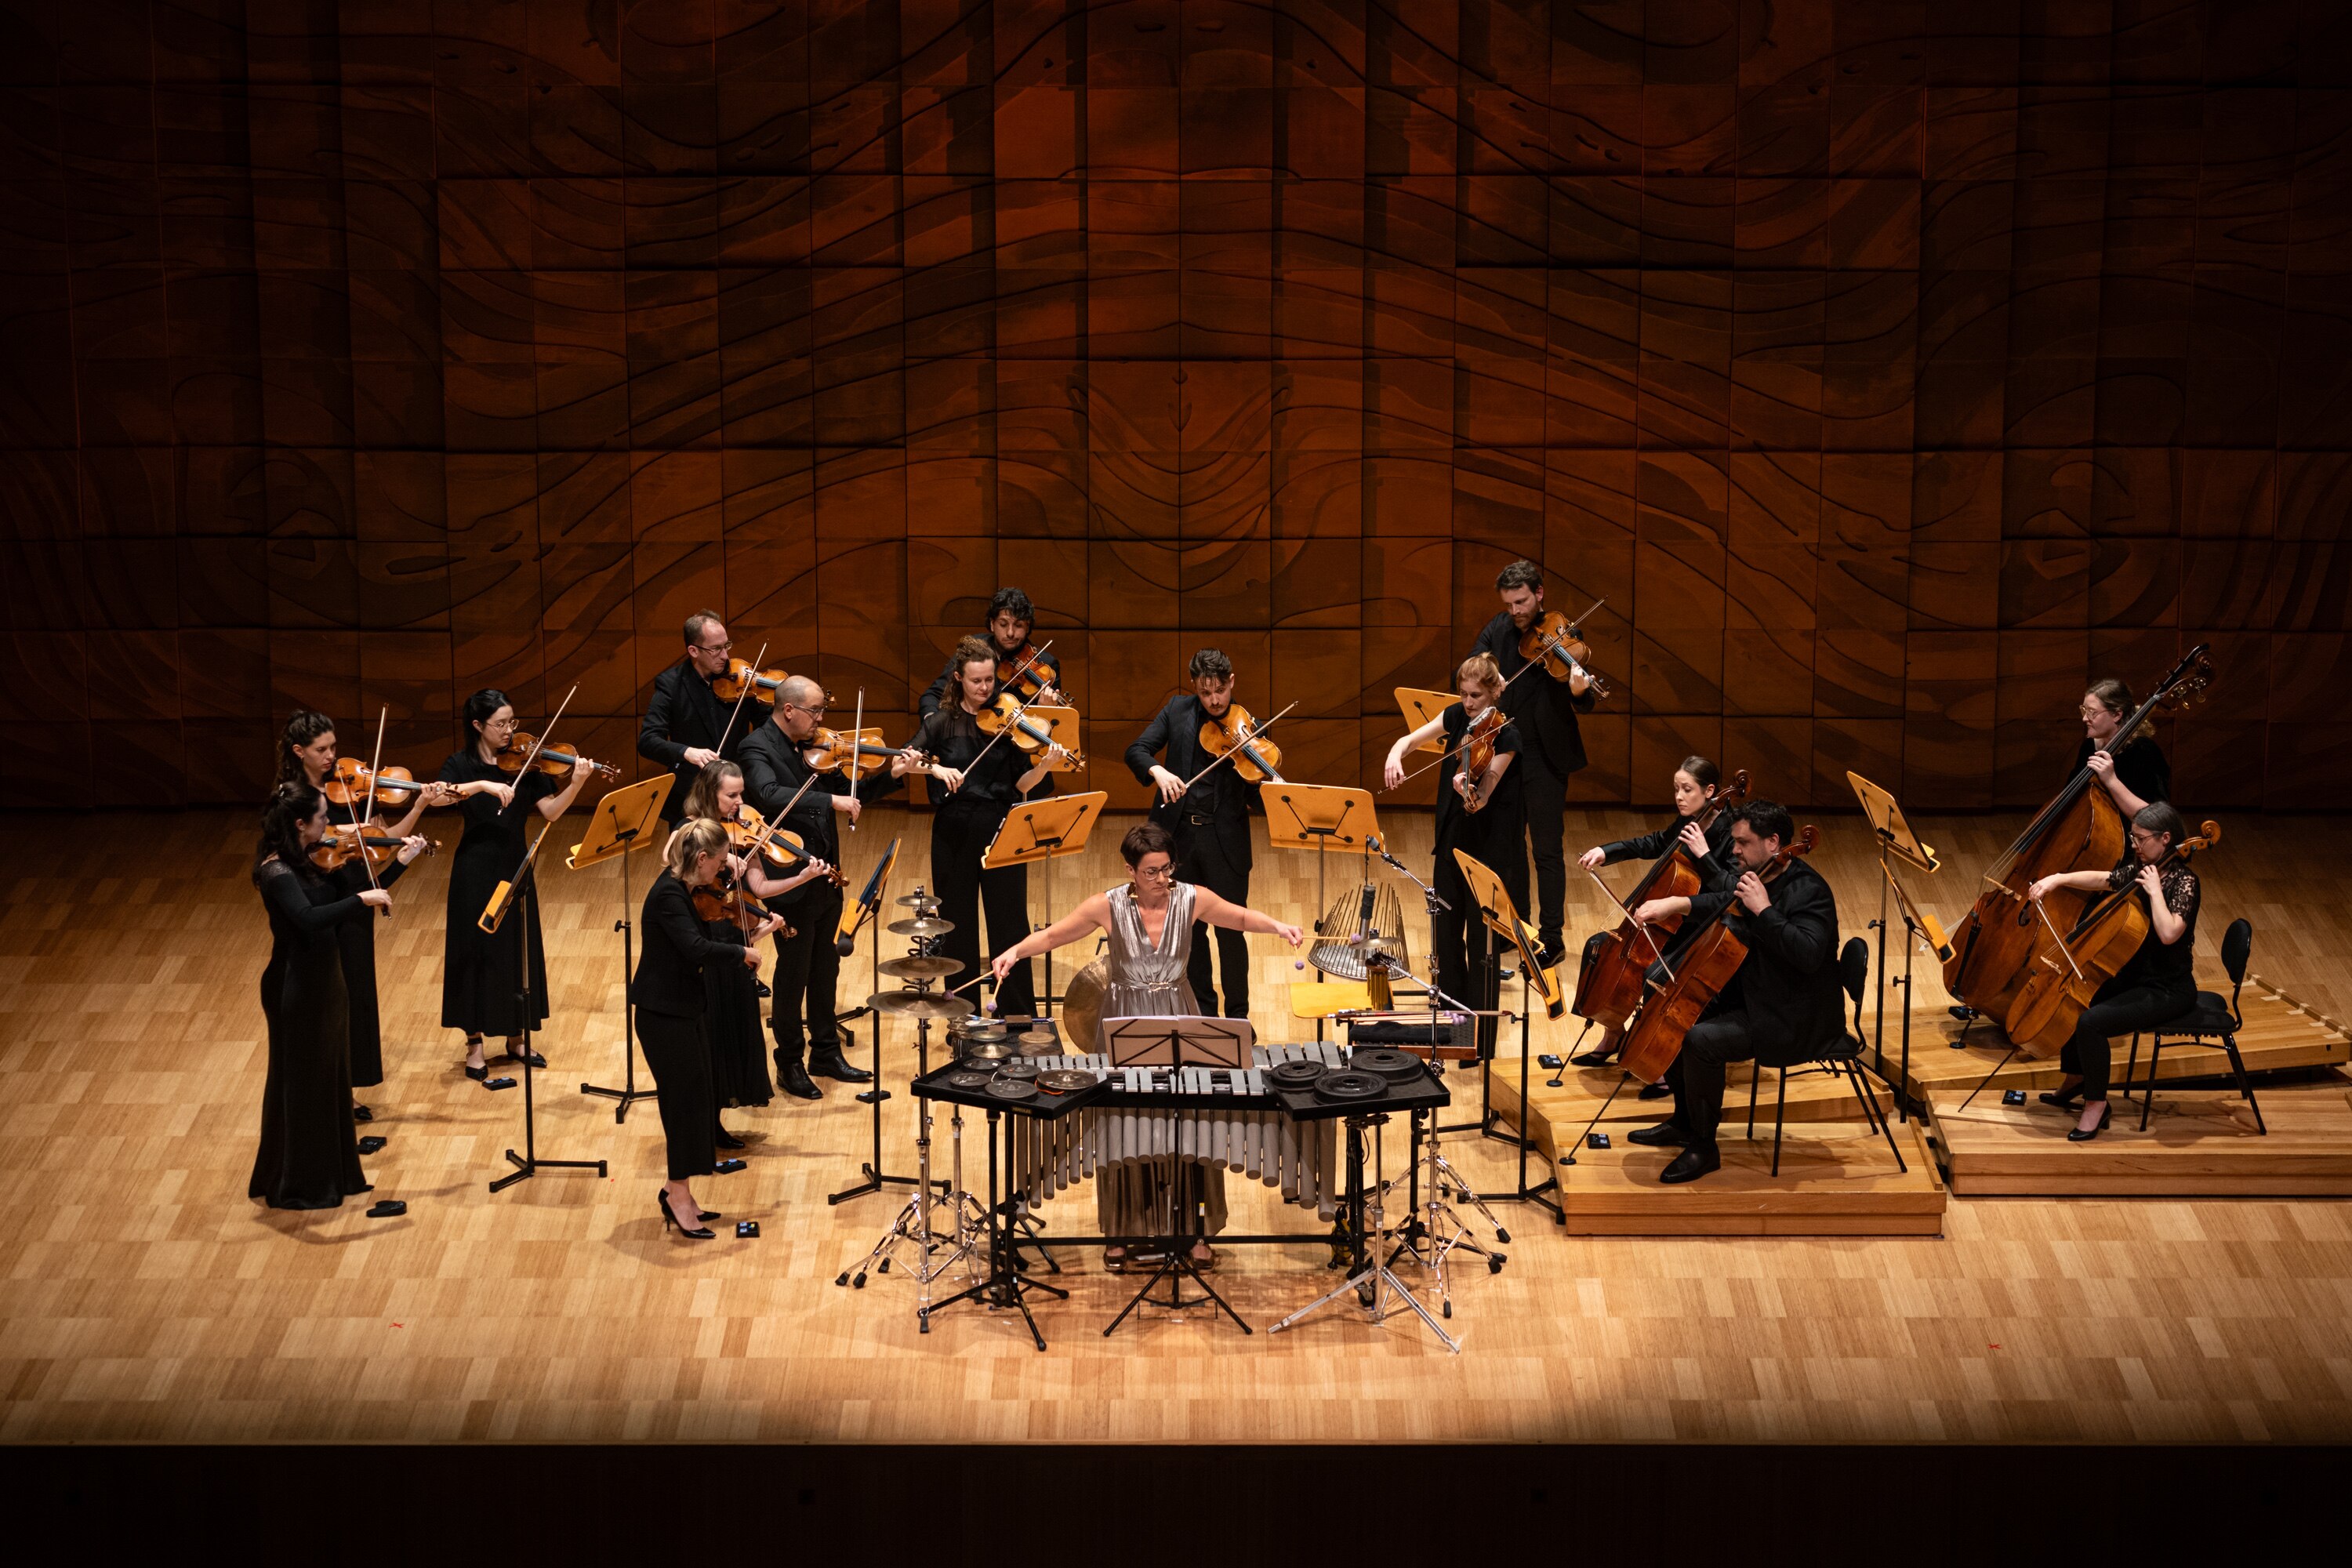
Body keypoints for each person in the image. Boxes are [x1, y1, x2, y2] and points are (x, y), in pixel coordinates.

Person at [990, 822, 1305, 1270]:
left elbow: (1236, 916)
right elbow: (1056, 934)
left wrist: (1277, 926)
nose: (1161, 879)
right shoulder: (1108, 905)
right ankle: (1121, 1231)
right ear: (1131, 871)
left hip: (1178, 1013)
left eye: (1167, 869)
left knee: (1190, 1120)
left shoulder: (1191, 898)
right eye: (1151, 872)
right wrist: (1016, 951)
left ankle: (1193, 1231)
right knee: (1122, 1122)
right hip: (1124, 1021)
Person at [276, 710, 486, 1121]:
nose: (332, 757)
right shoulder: (292, 799)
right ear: (299, 752)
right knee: (329, 1003)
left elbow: (382, 843)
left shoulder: (349, 793)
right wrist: (338, 836)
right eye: (322, 750)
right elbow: (291, 854)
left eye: (334, 747)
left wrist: (421, 802)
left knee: (355, 996)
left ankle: (346, 1088)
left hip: (354, 895)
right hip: (320, 900)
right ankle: (327, 1094)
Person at [1621, 800, 1841, 1184]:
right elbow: (1725, 896)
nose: (1734, 850)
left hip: (1790, 1014)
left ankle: (1704, 1148)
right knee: (1667, 991)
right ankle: (1685, 1121)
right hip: (1755, 993)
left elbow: (1807, 955)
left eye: (1743, 842)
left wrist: (1765, 911)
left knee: (1700, 1038)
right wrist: (1677, 903)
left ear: (1773, 842)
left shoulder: (1811, 892)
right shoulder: (1761, 874)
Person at [248, 782, 411, 1210]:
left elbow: (353, 898)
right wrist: (362, 898)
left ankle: (337, 1177)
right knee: (304, 1086)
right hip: (295, 986)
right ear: (300, 824)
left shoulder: (314, 860)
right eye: (323, 817)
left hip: (327, 980)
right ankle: (299, 1184)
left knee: (332, 1081)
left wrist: (400, 866)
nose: (331, 824)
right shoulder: (277, 870)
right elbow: (308, 919)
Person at [894, 637, 1067, 1020]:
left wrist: (1044, 767)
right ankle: (963, 1015)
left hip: (1002, 829)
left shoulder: (1010, 722)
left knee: (1010, 923)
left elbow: (1021, 786)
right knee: (957, 925)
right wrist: (934, 768)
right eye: (976, 681)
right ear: (958, 680)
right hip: (953, 832)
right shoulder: (941, 723)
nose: (985, 688)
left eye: (990, 680)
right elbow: (899, 764)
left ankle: (1017, 1014)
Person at [738, 674, 890, 1094]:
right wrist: (830, 801)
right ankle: (789, 1062)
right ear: (789, 710)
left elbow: (851, 790)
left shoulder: (815, 750)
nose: (821, 720)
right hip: (789, 881)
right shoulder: (756, 748)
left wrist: (895, 771)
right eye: (815, 711)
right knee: (793, 975)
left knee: (826, 969)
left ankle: (825, 1051)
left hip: (826, 876)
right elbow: (767, 793)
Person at [2024, 802, 2201, 1142]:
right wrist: (2057, 879)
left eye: (2140, 839)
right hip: (2134, 977)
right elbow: (2105, 879)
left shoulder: (2184, 882)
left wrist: (2153, 893)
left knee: (2092, 1022)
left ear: (2166, 839)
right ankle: (2076, 1079)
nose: (2134, 845)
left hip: (2167, 989)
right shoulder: (2144, 867)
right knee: (2080, 994)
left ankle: (2096, 1104)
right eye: (2132, 837)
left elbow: (2169, 933)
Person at [438, 688, 592, 1080]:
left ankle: (516, 1038)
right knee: (474, 951)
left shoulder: (530, 766)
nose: (509, 731)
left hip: (516, 866)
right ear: (478, 726)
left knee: (516, 951)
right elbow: (438, 798)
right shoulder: (460, 765)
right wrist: (483, 787)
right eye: (500, 724)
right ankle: (474, 1043)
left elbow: (552, 813)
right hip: (474, 870)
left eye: (512, 722)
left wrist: (576, 783)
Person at [1382, 652, 1526, 1058]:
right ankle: (1454, 1035)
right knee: (1446, 939)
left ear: (1496, 692)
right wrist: (1397, 755)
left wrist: (1467, 789)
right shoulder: (1455, 717)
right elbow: (1410, 740)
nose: (1468, 703)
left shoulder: (1507, 737)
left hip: (1488, 855)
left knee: (1482, 948)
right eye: (1463, 694)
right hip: (1451, 843)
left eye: (1477, 696)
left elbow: (1482, 799)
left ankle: (1479, 1045)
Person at [634, 818, 764, 1240]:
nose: (725, 868)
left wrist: (754, 929)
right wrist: (742, 952)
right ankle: (677, 1195)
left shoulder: (687, 889)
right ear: (701, 859)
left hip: (684, 1010)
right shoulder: (669, 895)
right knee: (683, 1106)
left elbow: (705, 930)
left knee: (696, 1100)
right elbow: (694, 947)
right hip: (662, 1016)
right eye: (722, 860)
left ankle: (681, 1193)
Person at [1568, 755, 1738, 1072]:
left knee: (1653, 977)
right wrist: (1608, 851)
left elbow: (1729, 894)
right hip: (1669, 920)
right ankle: (1614, 1033)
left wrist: (1703, 854)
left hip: (1701, 925)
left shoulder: (1731, 832)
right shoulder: (1693, 818)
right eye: (1676, 789)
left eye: (1687, 789)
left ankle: (1659, 1061)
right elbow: (1659, 842)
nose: (1679, 796)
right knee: (1597, 946)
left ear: (1710, 790)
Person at [1468, 559, 1596, 968]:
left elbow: (1586, 702)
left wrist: (1578, 690)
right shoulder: (1498, 629)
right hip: (1506, 751)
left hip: (1545, 755)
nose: (1516, 611)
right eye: (1509, 604)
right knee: (1509, 848)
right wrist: (1492, 679)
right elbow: (1472, 667)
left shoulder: (1563, 634)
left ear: (1540, 594)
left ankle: (1553, 939)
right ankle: (1518, 929)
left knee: (1546, 850)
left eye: (1522, 602)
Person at [1124, 648, 1260, 1018]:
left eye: (1220, 690)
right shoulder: (1177, 711)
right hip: (1180, 843)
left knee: (1232, 935)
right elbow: (1136, 750)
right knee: (1191, 935)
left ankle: (1238, 1020)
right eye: (1205, 692)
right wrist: (1158, 772)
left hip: (1225, 843)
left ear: (1231, 682)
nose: (1214, 700)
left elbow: (1259, 799)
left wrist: (1259, 770)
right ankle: (1203, 1018)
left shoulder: (1249, 727)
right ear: (1195, 688)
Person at [678, 762, 814, 1133]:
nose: (740, 803)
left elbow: (762, 888)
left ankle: (719, 1118)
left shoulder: (743, 831)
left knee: (734, 1029)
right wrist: (720, 859)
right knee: (709, 1032)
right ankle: (705, 1124)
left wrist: (802, 876)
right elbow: (673, 870)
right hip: (704, 935)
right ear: (710, 794)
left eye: (741, 794)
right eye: (731, 796)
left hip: (734, 933)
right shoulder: (687, 830)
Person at [639, 610, 754, 826]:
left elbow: (767, 727)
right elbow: (647, 741)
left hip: (737, 797)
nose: (725, 656)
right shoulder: (671, 685)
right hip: (691, 796)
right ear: (693, 650)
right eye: (716, 649)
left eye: (726, 646)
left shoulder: (741, 680)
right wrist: (686, 752)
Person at [920, 586, 1065, 718]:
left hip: (1016, 743)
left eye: (1018, 625)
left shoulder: (1045, 665)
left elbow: (1055, 723)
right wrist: (932, 721)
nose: (1010, 633)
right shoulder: (973, 649)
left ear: (1028, 627)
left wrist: (1046, 711)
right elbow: (933, 695)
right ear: (992, 623)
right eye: (1003, 624)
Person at [2075, 677, 2169, 816]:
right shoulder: (2090, 745)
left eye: (2092, 712)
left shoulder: (2144, 751)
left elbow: (2156, 818)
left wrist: (2111, 780)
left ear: (2117, 715)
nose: (2084, 718)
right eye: (2084, 710)